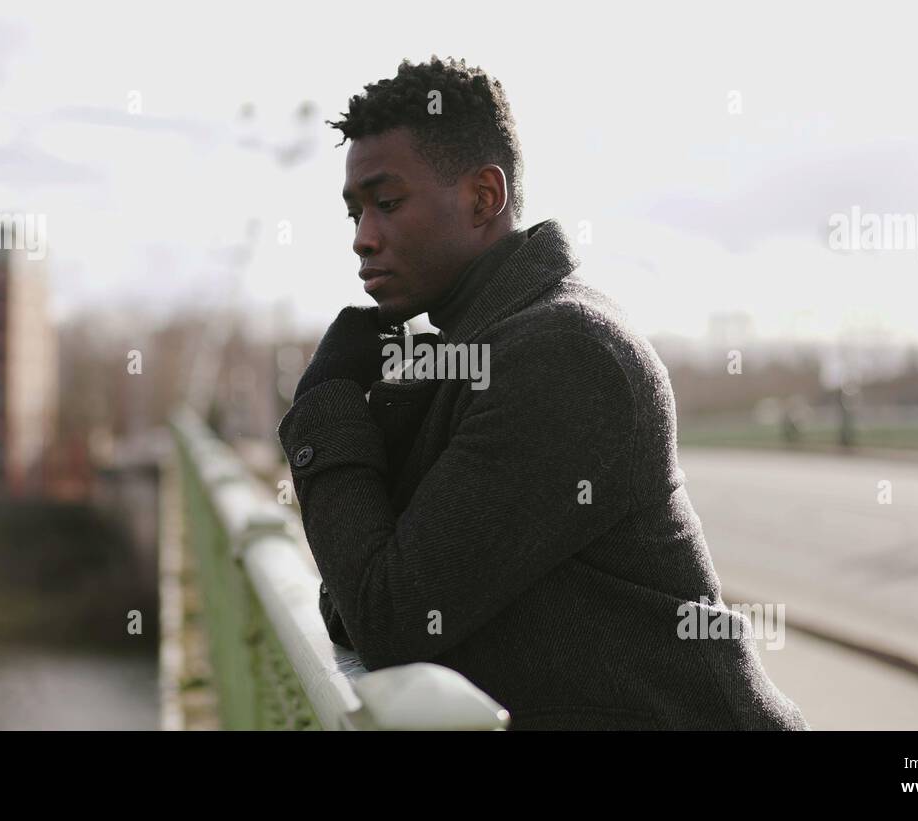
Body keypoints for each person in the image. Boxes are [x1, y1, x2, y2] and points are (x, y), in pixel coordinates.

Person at [278, 56, 808, 730]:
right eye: (354, 212)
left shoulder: (564, 353)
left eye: (386, 203)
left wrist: (326, 401)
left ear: (483, 197)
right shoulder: (472, 356)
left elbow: (388, 618)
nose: (362, 238)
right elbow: (353, 601)